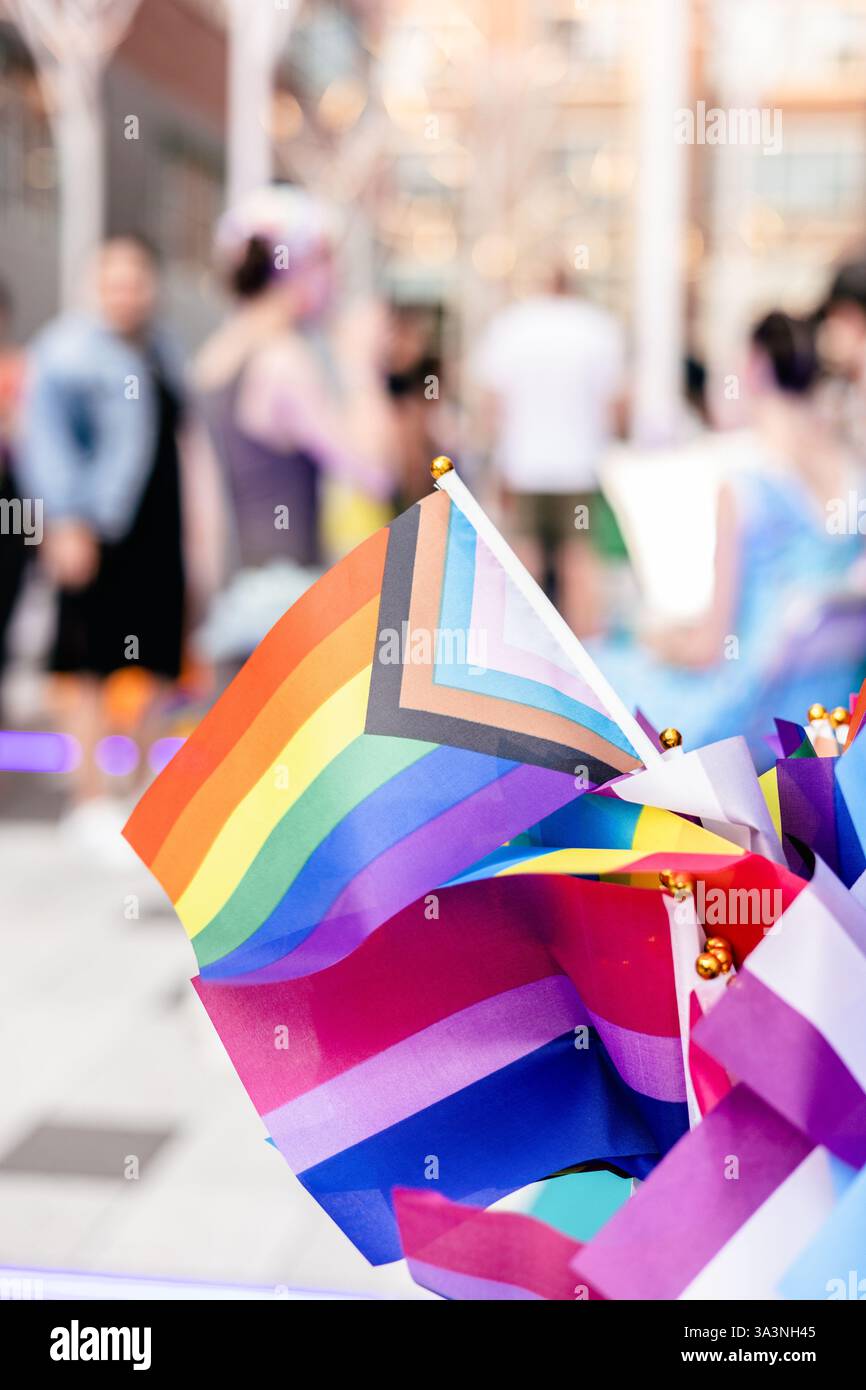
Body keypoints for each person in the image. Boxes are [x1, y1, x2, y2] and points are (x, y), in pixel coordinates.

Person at [589, 311, 865, 758]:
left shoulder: (745, 487)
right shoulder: (853, 475)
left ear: (755, 367)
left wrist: (653, 637)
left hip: (748, 719)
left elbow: (709, 650)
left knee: (598, 669)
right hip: (829, 722)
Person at [20, 235, 187, 844]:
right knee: (87, 662)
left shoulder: (164, 349)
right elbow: (44, 440)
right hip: (95, 526)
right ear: (97, 285)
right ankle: (89, 797)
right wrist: (64, 520)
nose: (127, 293)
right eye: (114, 281)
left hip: (156, 533)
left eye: (137, 280)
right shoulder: (66, 351)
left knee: (157, 662)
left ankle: (135, 791)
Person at [193, 185, 396, 662]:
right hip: (284, 608)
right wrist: (360, 362)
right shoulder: (284, 360)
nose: (337, 278)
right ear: (296, 266)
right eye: (328, 260)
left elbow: (201, 514)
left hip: (235, 607)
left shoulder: (215, 360)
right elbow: (374, 470)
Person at [473, 266, 626, 635]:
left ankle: (528, 655)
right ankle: (588, 658)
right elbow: (616, 404)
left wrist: (495, 458)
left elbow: (492, 403)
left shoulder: (512, 326)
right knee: (579, 560)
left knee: (524, 563)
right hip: (579, 466)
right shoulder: (598, 328)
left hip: (525, 465)